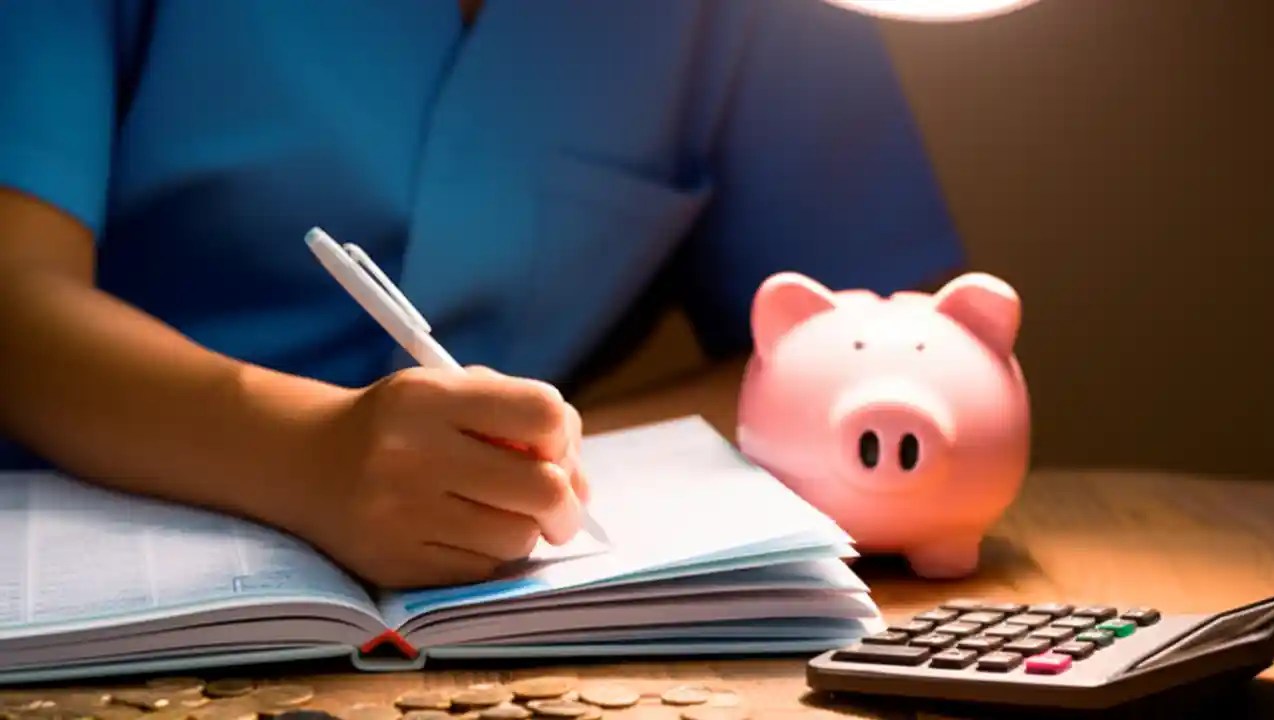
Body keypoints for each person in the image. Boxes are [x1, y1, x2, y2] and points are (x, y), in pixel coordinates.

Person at [0, 0, 964, 589]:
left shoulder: (746, 18)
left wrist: (516, 455)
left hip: (504, 580)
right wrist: (300, 454)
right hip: (96, 566)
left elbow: (903, 355)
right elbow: (16, 304)